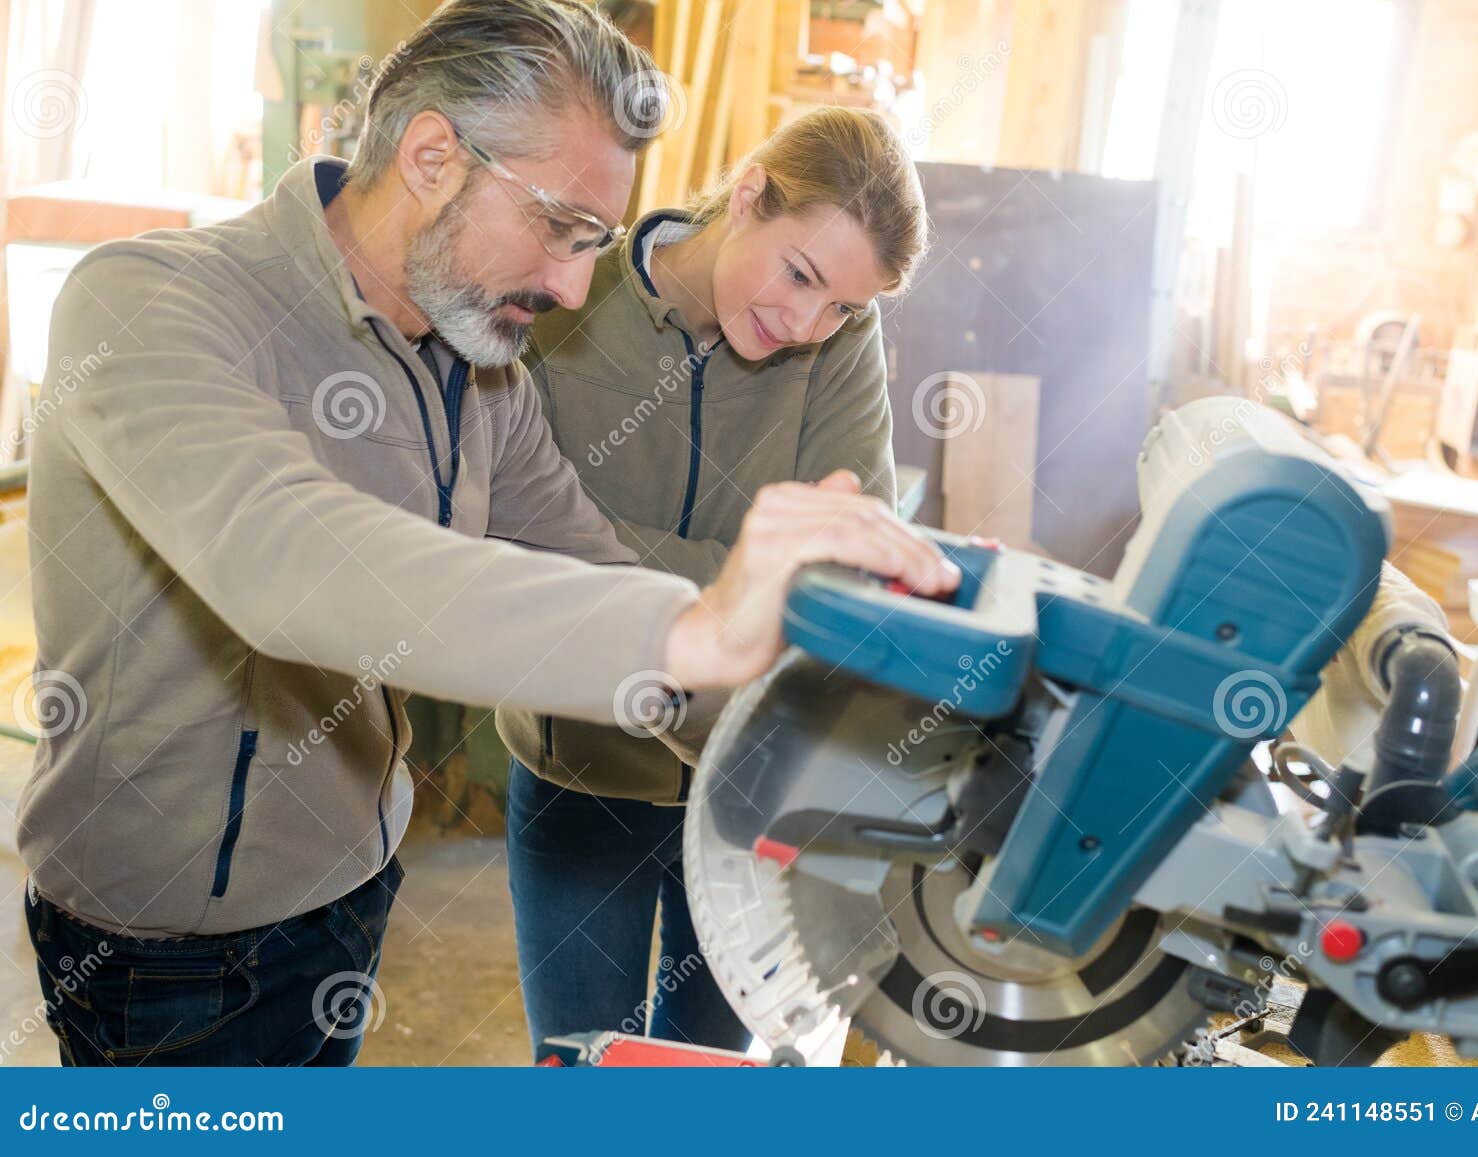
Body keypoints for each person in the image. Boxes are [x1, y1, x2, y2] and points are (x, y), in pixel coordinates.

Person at [17, 0, 954, 1067]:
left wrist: (845, 778)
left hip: (347, 890)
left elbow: (586, 567)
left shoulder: (481, 380)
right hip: (162, 950)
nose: (569, 285)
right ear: (429, 156)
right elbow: (285, 557)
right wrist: (691, 629)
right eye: (559, 228)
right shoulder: (147, 304)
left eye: (594, 242)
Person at [495, 107, 928, 1053]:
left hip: (753, 785)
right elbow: (510, 532)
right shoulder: (571, 296)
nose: (805, 324)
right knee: (582, 1079)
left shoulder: (842, 342)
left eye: (843, 307)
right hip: (582, 767)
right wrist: (752, 579)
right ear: (747, 196)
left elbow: (847, 569)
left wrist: (605, 550)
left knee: (712, 1086)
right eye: (801, 274)